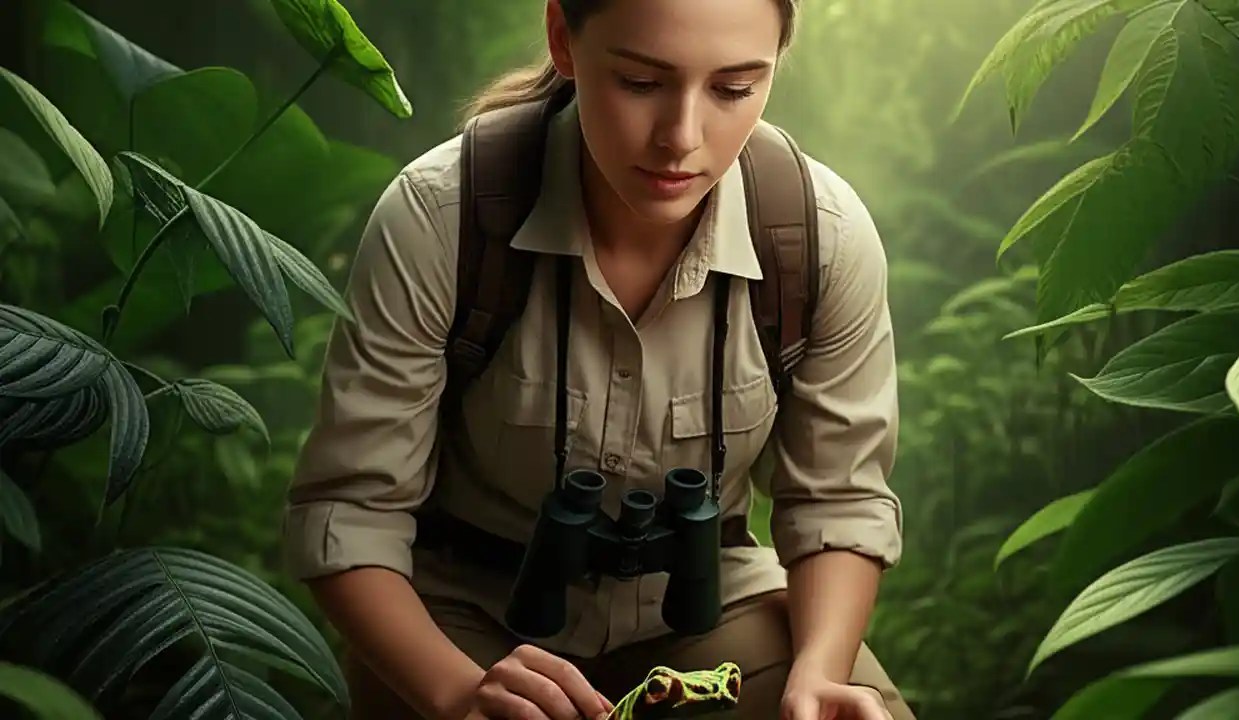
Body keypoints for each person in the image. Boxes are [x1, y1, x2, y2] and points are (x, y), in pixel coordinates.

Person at [280, 0, 914, 718]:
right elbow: (351, 514)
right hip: (464, 617)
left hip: (711, 612)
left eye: (734, 89)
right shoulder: (442, 218)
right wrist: (459, 696)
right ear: (563, 39)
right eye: (641, 83)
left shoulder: (817, 236)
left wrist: (818, 675)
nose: (682, 137)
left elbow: (837, 501)